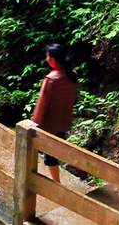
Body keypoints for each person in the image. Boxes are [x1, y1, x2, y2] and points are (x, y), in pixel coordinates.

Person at [30, 43, 79, 183]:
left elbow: (42, 105)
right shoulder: (72, 75)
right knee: (54, 152)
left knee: (49, 156)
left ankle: (56, 184)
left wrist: (35, 123)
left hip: (50, 124)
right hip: (64, 121)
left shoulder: (51, 79)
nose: (46, 59)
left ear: (52, 59)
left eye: (47, 56)